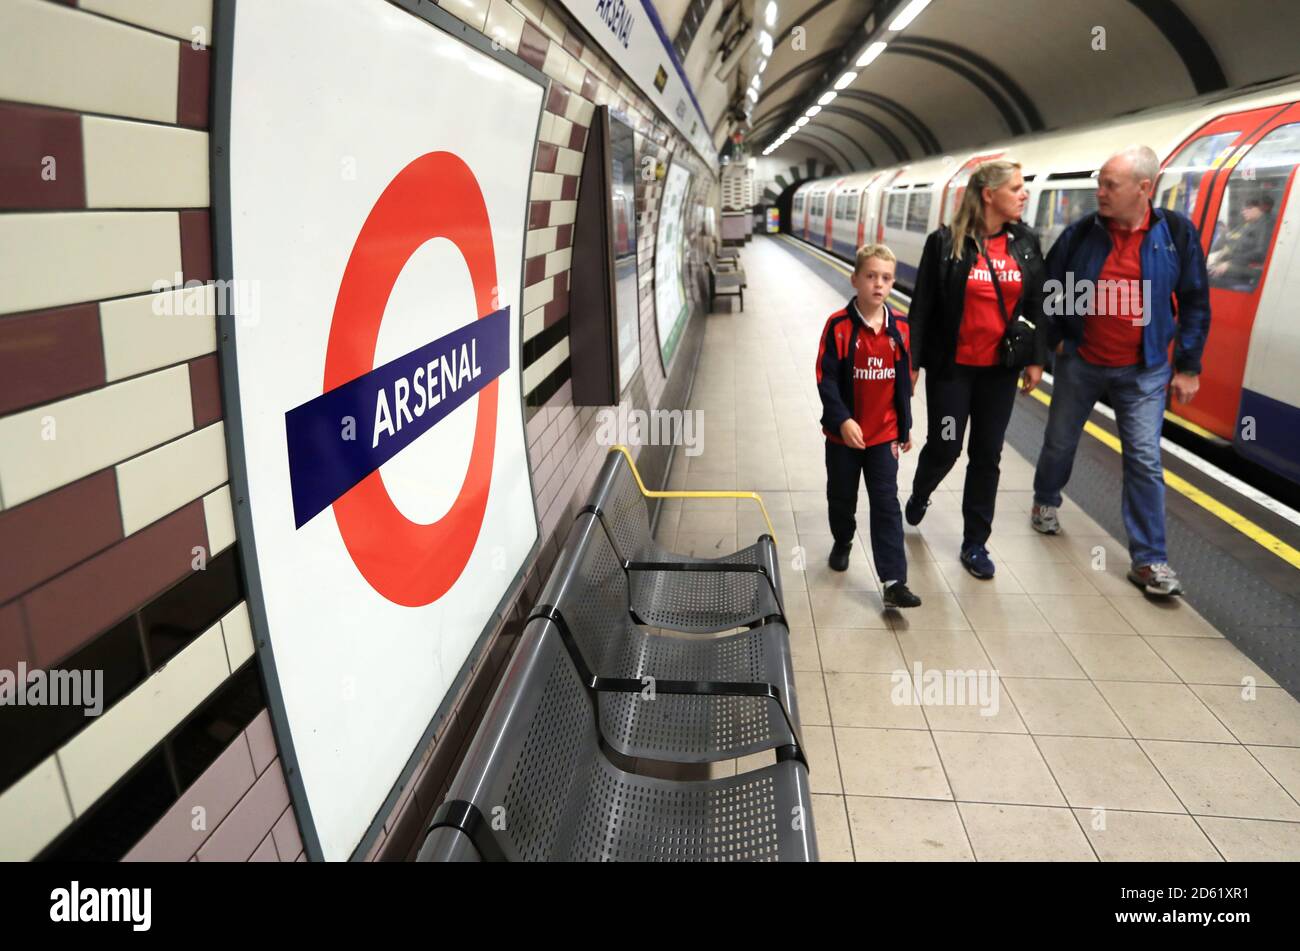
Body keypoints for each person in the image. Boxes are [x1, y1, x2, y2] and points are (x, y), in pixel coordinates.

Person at [1031, 145, 1211, 596]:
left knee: (1145, 459)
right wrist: (1047, 345)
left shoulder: (1176, 234)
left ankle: (1150, 562)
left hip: (1143, 370)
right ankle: (1046, 501)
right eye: (1100, 183)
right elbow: (1051, 286)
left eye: (1110, 185)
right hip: (1081, 360)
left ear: (1143, 189)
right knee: (1059, 442)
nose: (1100, 192)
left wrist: (1187, 365)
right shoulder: (1082, 234)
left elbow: (1194, 302)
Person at [902, 160, 1050, 579]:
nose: (1024, 195)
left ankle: (975, 543)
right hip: (953, 369)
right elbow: (923, 308)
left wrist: (1037, 359)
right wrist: (912, 363)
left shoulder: (1024, 243)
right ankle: (921, 491)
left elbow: (1039, 303)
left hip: (998, 371)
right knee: (947, 446)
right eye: (1016, 188)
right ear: (989, 195)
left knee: (987, 455)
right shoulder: (945, 243)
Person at [816, 243, 921, 609]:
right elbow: (826, 379)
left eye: (886, 278)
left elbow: (904, 382)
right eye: (871, 276)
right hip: (843, 437)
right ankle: (843, 538)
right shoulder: (839, 328)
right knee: (842, 497)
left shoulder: (901, 330)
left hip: (883, 436)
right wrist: (842, 419)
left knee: (886, 503)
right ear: (855, 279)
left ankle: (894, 581)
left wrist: (904, 426)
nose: (879, 284)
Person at [1207, 194, 1274, 287]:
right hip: (1235, 263)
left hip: (1248, 270)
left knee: (1206, 278)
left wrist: (1230, 263)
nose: (1244, 212)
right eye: (1243, 209)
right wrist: (1223, 252)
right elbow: (1233, 240)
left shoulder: (1266, 225)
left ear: (1262, 208)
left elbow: (1260, 253)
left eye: (1249, 208)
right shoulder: (1248, 224)